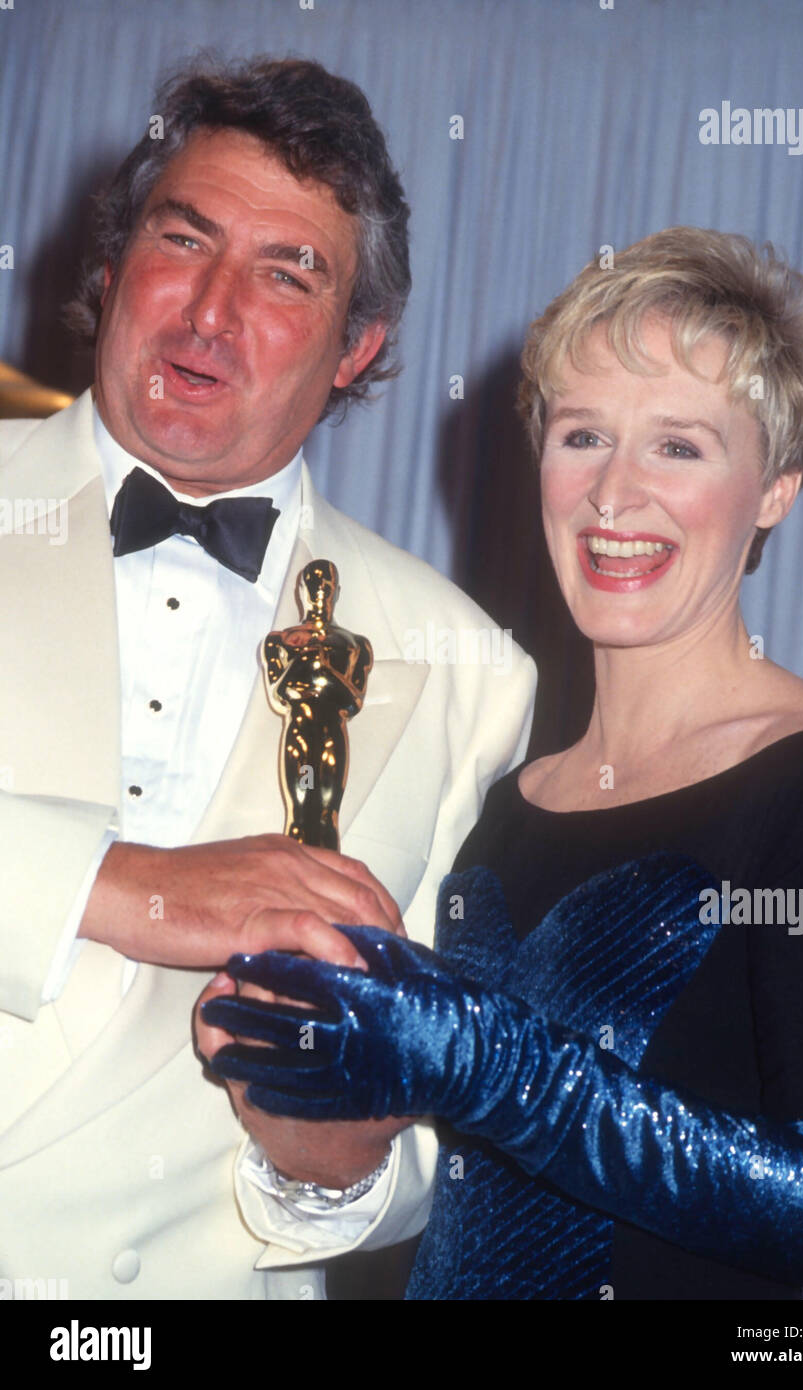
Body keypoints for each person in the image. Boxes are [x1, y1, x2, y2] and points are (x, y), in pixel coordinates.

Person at [204, 227, 803, 1299]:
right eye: (582, 435)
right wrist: (317, 1109)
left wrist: (478, 1057)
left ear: (776, 488)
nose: (612, 494)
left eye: (677, 446)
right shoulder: (505, 802)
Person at [0, 57, 535, 1300]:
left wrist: (329, 1166)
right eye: (183, 240)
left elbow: (449, 1139)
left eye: (287, 274)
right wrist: (123, 887)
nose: (208, 312)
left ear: (357, 348)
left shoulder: (473, 677)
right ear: (117, 261)